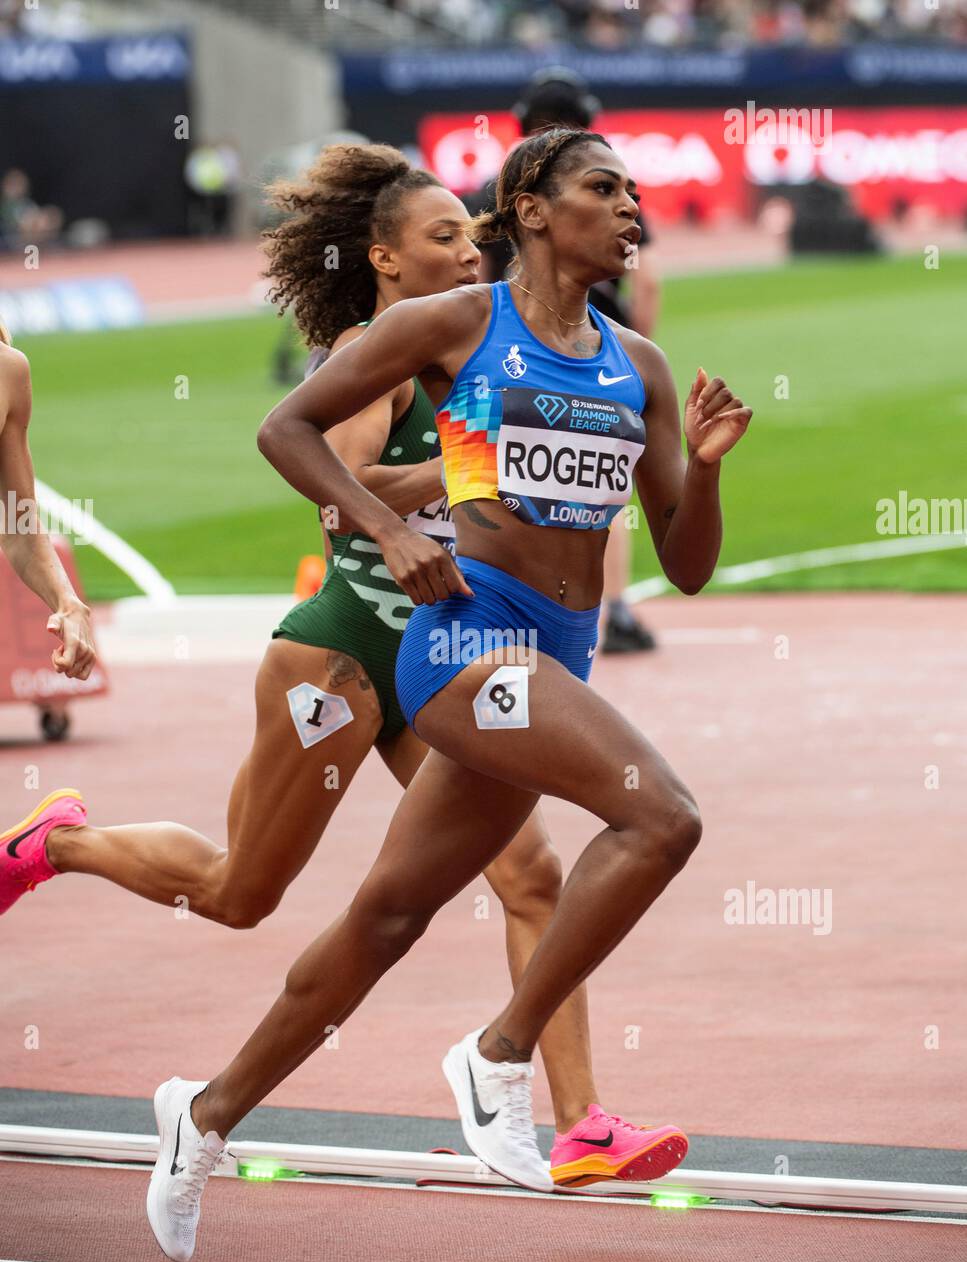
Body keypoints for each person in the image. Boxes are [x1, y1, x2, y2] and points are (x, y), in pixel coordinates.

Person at [0, 147, 684, 1194]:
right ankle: (66, 840)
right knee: (241, 892)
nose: (469, 250)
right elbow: (335, 488)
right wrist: (465, 469)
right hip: (346, 650)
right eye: (444, 237)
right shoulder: (387, 350)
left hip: (454, 644)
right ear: (386, 259)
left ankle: (577, 1115)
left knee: (526, 873)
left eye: (473, 234)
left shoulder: (497, 351)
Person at [143, 128, 751, 1261]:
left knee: (389, 914)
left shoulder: (641, 366)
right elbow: (288, 430)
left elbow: (688, 563)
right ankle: (499, 1049)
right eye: (603, 189)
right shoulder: (459, 324)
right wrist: (382, 528)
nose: (630, 209)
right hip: (467, 647)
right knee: (661, 814)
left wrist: (704, 470)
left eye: (634, 192)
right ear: (529, 207)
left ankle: (204, 1113)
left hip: (554, 660)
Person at [463, 68, 659, 654]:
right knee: (602, 484)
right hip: (596, 345)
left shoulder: (497, 193)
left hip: (510, 351)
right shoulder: (612, 187)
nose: (621, 204)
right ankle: (616, 609)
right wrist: (636, 359)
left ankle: (497, 602)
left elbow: (478, 280)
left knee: (503, 479)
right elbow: (646, 285)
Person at [0, 317, 96, 906]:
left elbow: (19, 526)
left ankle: (27, 854)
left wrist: (68, 601)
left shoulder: (9, 371)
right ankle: (26, 854)